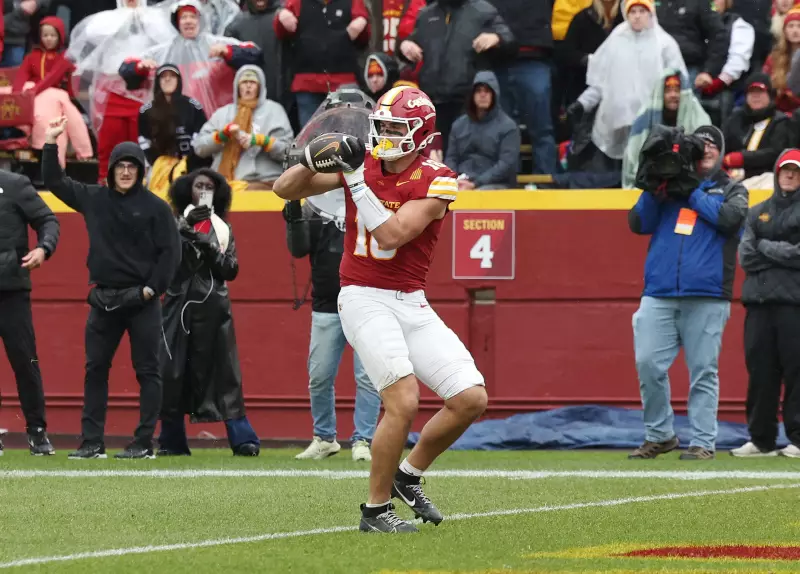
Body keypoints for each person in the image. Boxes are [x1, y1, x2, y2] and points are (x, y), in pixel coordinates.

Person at [273, 86, 488, 533]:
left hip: (410, 299)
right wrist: (314, 157)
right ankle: (374, 510)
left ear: (420, 133)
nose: (385, 136)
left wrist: (353, 178)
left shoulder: (438, 178)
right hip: (361, 295)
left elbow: (391, 235)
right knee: (403, 401)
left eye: (395, 128)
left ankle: (408, 476)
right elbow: (283, 188)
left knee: (470, 398)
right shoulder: (365, 162)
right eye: (382, 126)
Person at [41, 115, 181, 460]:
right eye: (121, 165)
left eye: (133, 166)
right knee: (95, 370)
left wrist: (151, 290)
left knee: (148, 371)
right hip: (103, 298)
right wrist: (50, 141)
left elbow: (171, 254)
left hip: (142, 301)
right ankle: (91, 442)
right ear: (111, 169)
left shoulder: (157, 208)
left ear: (141, 171)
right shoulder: (93, 198)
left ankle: (143, 442)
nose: (126, 172)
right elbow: (53, 181)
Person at [627, 125, 748, 460]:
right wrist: (654, 185)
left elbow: (728, 219)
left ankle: (703, 442)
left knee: (703, 371)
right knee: (647, 363)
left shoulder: (733, 189)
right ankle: (660, 435)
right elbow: (638, 223)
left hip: (707, 296)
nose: (707, 148)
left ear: (721, 153)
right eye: (701, 143)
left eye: (713, 145)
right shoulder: (667, 187)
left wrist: (691, 190)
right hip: (659, 292)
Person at [159, 168, 260, 456]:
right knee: (173, 372)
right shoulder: (173, 224)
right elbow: (169, 265)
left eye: (209, 186)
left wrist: (207, 244)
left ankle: (243, 439)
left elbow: (231, 269)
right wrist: (185, 231)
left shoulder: (223, 229)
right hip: (178, 307)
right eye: (198, 185)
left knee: (225, 374)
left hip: (215, 308)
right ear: (187, 191)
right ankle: (171, 441)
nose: (203, 190)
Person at [733, 148, 800, 459]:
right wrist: (782, 251)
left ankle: (798, 440)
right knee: (760, 373)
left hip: (794, 305)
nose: (789, 175)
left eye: (796, 171)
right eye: (785, 170)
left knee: (796, 373)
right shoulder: (755, 211)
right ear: (776, 172)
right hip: (758, 304)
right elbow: (745, 256)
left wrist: (764, 246)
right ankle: (761, 439)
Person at [0, 168, 60, 456]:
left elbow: (47, 220)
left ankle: (37, 430)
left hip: (11, 290)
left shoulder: (14, 184)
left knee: (25, 361)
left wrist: (43, 249)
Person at [12, 15, 94, 167]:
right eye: (45, 35)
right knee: (52, 118)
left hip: (54, 94)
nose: (48, 39)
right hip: (36, 96)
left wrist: (33, 91)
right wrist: (18, 95)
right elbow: (21, 75)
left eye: (52, 35)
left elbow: (52, 78)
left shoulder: (65, 57)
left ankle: (65, 158)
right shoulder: (32, 56)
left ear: (60, 37)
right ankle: (78, 153)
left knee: (62, 119)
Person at [193, 65, 293, 188]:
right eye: (244, 82)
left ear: (260, 87)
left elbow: (289, 153)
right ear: (237, 87)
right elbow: (199, 148)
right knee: (202, 194)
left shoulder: (274, 110)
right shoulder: (222, 113)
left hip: (262, 180)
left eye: (252, 82)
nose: (248, 86)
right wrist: (221, 136)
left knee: (251, 191)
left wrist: (262, 141)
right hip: (223, 182)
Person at [622, 70, 710, 189]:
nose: (673, 95)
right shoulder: (644, 119)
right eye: (668, 91)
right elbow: (632, 159)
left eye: (677, 90)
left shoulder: (698, 117)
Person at [139, 63, 210, 194]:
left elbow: (202, 137)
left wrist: (189, 161)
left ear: (179, 80)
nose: (167, 79)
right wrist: (156, 162)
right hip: (158, 166)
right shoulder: (146, 111)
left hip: (190, 166)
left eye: (172, 76)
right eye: (163, 76)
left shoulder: (193, 107)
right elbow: (143, 141)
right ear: (157, 81)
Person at [445, 71, 520, 190]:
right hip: (461, 181)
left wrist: (476, 184)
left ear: (495, 95)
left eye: (487, 91)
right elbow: (451, 158)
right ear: (472, 95)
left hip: (496, 185)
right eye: (478, 91)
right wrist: (455, 179)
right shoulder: (459, 125)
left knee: (478, 192)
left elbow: (506, 165)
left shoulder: (509, 127)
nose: (483, 95)